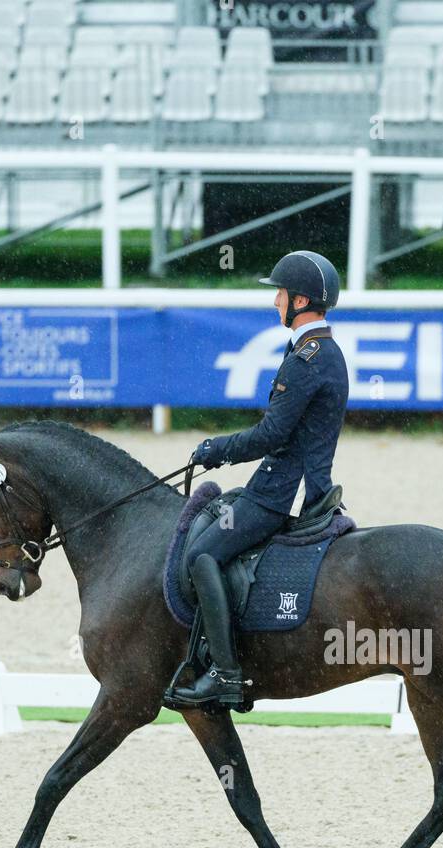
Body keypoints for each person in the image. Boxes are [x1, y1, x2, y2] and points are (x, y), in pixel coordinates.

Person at [165, 249, 349, 709]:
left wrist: (217, 449)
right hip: (286, 483)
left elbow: (272, 433)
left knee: (203, 554)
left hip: (278, 495)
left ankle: (225, 675)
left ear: (301, 300)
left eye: (281, 294)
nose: (275, 302)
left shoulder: (309, 358)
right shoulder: (318, 350)